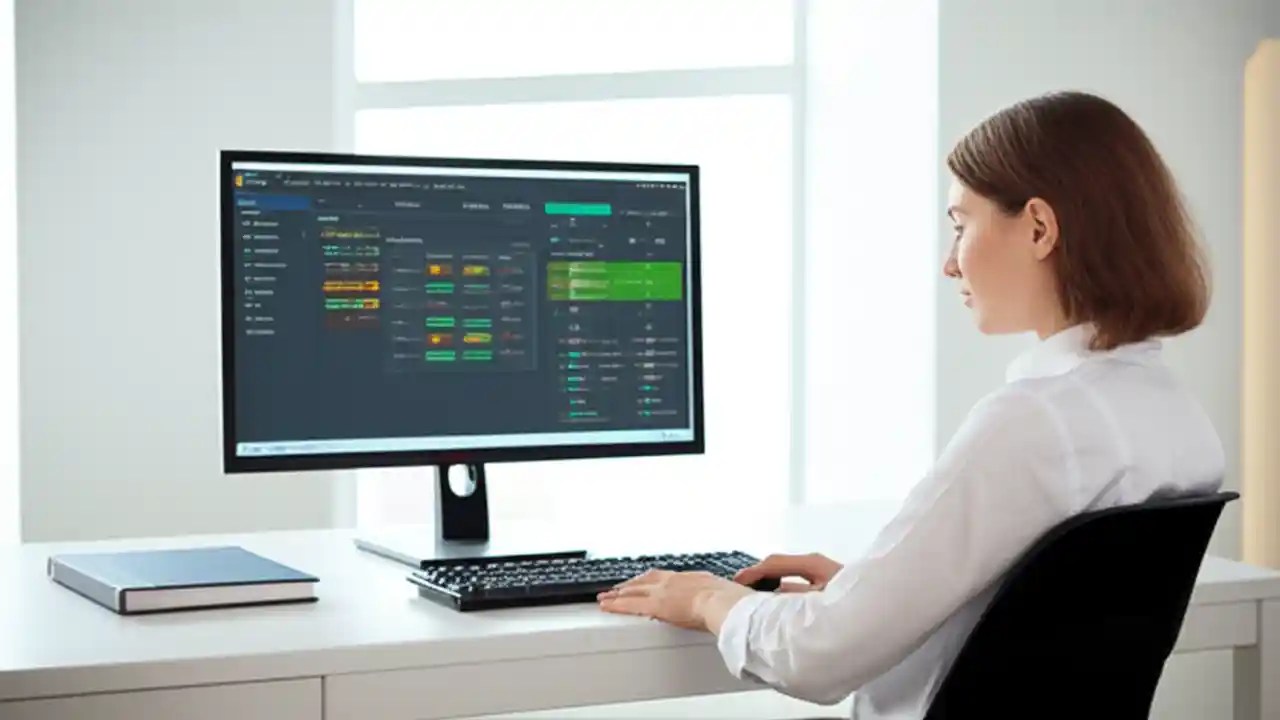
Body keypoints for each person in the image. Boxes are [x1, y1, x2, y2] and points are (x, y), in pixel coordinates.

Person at [596, 90, 1226, 719]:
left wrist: (709, 599)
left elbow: (815, 656)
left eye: (961, 225)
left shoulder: (1034, 424)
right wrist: (874, 594)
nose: (950, 264)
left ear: (1039, 228)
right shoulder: (1177, 419)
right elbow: (1046, 628)